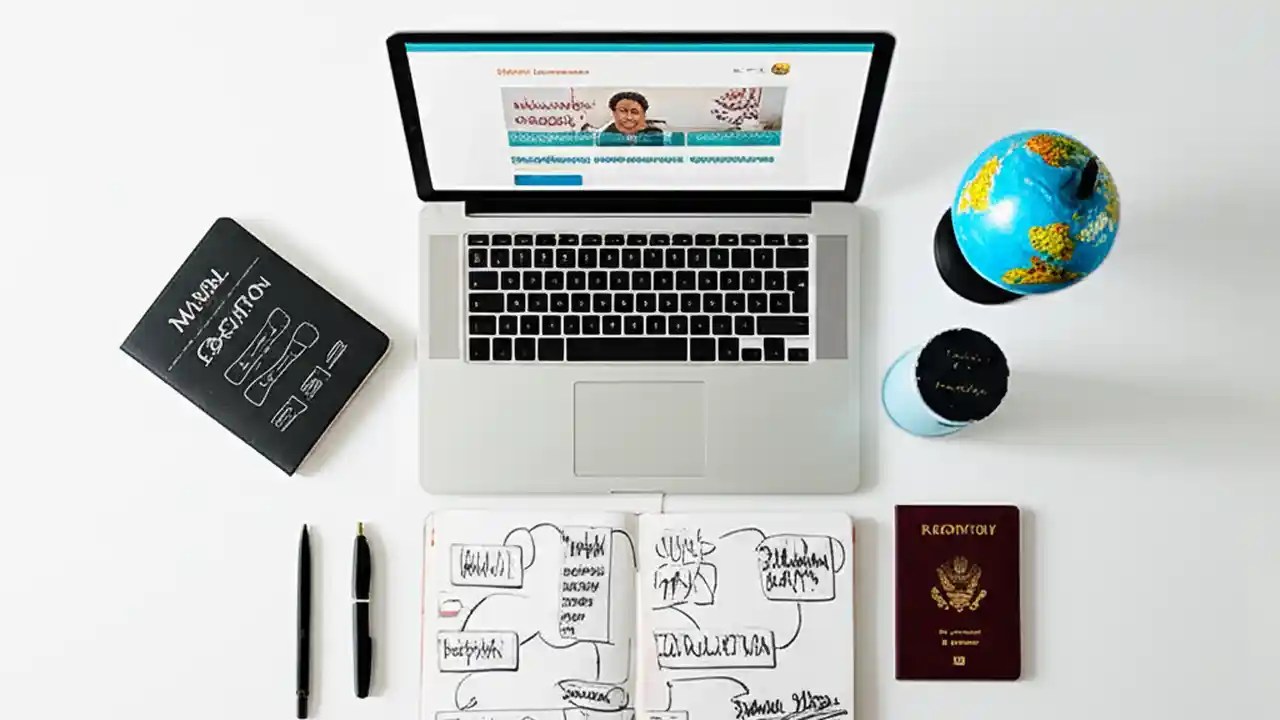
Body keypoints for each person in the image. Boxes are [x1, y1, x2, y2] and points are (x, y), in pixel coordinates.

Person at [598, 91, 663, 136]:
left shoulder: (655, 135)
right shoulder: (607, 134)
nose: (629, 117)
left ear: (644, 115)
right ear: (614, 113)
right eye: (623, 111)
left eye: (635, 112)